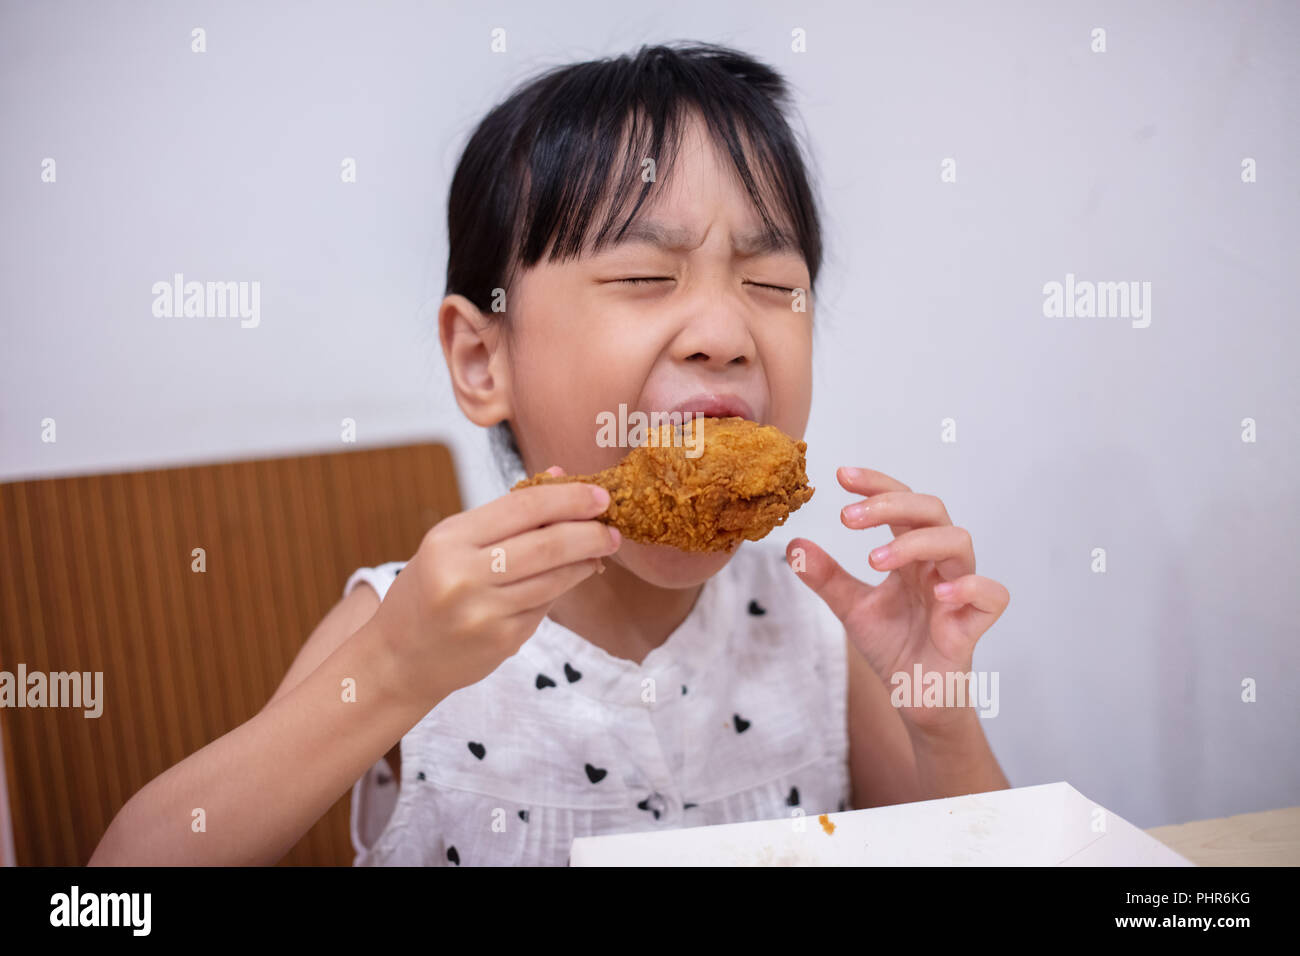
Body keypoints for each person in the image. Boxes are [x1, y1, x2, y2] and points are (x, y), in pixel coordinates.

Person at [90, 40, 1010, 868]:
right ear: (484, 358)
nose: (725, 332)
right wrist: (389, 675)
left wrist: (938, 719)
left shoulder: (808, 633)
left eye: (773, 285)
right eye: (646, 276)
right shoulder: (414, 628)